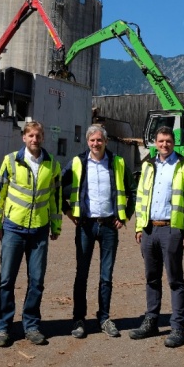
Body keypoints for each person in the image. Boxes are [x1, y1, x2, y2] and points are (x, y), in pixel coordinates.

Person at [0, 121, 62, 347]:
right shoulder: (10, 161)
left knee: (37, 281)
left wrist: (56, 225)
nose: (34, 139)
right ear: (24, 138)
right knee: (6, 280)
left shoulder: (52, 165)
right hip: (13, 227)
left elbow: (55, 198)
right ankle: (2, 327)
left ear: (43, 138)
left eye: (38, 136)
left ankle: (31, 325)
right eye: (30, 135)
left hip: (39, 229)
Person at [61, 124, 135, 339]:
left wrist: (125, 216)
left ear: (105, 141)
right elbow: (57, 185)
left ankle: (104, 318)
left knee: (106, 276)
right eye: (92, 140)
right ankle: (79, 319)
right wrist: (67, 210)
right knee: (81, 274)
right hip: (85, 225)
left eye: (99, 140)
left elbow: (132, 190)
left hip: (109, 225)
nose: (96, 143)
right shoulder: (78, 162)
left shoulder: (117, 162)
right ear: (87, 142)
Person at [129, 126, 184, 348]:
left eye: (168, 141)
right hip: (149, 229)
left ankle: (177, 327)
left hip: (172, 229)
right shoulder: (148, 165)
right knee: (151, 278)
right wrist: (139, 227)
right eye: (160, 141)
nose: (164, 145)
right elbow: (141, 197)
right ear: (154, 142)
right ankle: (151, 321)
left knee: (175, 280)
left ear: (173, 142)